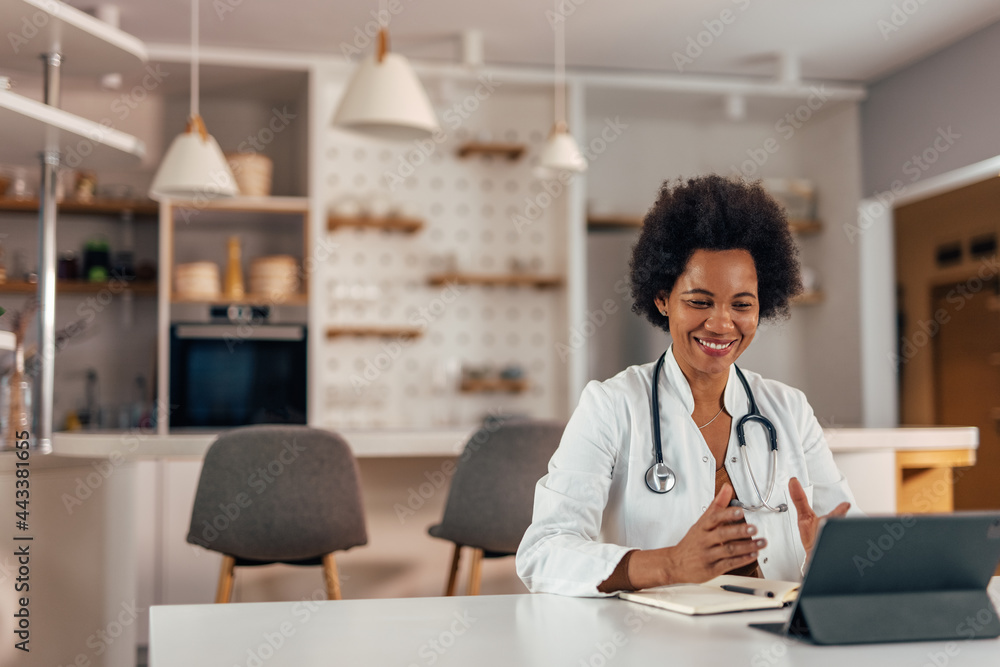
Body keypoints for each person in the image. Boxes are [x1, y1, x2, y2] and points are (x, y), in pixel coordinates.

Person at [515, 175, 859, 597]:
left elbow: (855, 544)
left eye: (742, 305)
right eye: (699, 301)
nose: (721, 323)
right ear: (663, 299)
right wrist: (669, 565)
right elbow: (543, 553)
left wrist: (832, 555)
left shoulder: (789, 410)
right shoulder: (611, 407)